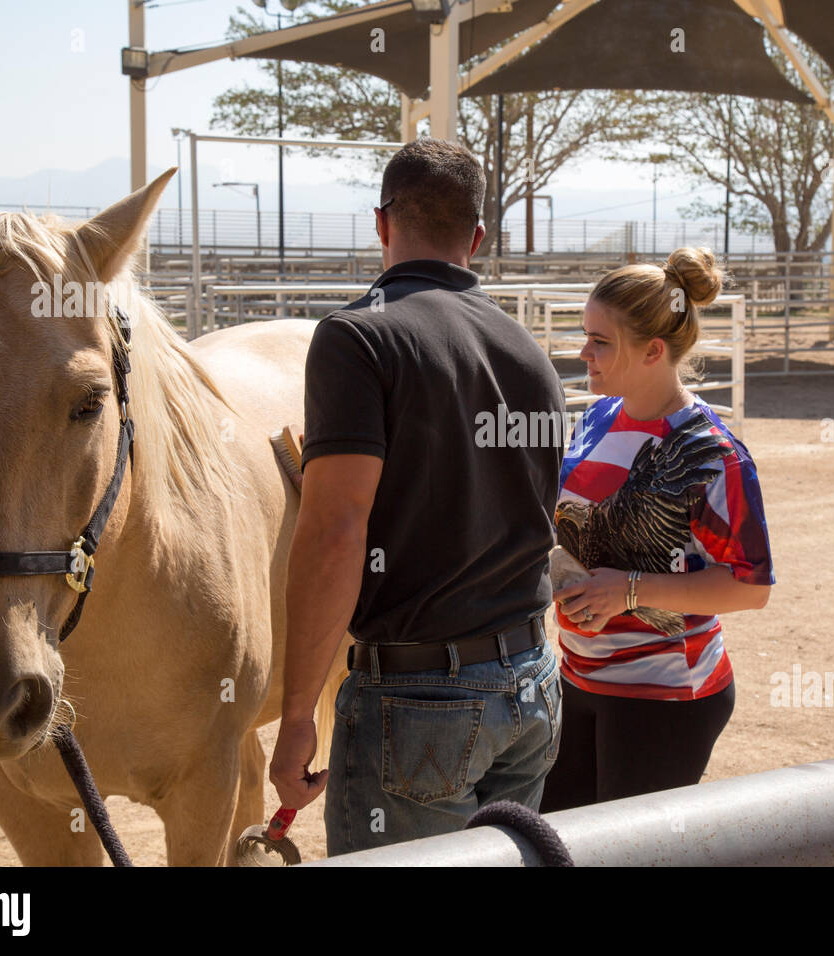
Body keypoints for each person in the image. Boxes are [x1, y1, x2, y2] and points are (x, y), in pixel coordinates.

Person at [270, 137, 566, 855]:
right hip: (531, 686)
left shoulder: (357, 338)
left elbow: (338, 528)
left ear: (381, 224)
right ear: (478, 235)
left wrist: (298, 716)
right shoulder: (528, 351)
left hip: (420, 703)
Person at [539, 246, 775, 812]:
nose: (583, 353)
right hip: (578, 679)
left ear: (653, 350)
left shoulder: (710, 453)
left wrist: (627, 591)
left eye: (601, 341)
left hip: (665, 694)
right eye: (585, 335)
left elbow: (751, 586)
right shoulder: (596, 418)